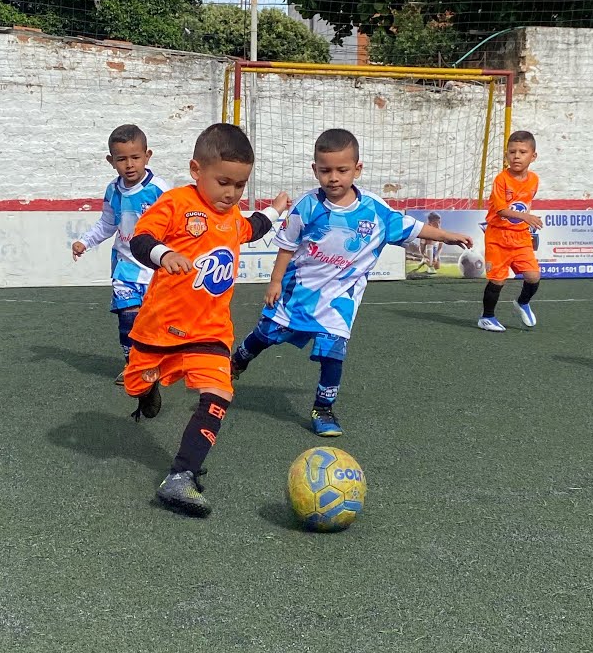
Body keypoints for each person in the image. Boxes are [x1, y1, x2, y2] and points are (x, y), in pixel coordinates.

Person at [230, 129, 472, 436]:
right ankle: (237, 361)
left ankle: (323, 408)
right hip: (298, 293)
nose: (333, 178)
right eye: (325, 170)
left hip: (340, 301)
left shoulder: (375, 210)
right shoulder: (307, 206)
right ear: (314, 170)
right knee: (267, 334)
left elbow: (415, 228)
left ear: (357, 169)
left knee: (334, 353)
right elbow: (287, 246)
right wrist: (275, 281)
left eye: (342, 170)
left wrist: (449, 235)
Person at [123, 123, 291, 517]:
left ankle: (181, 476)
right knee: (137, 384)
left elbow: (252, 228)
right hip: (159, 328)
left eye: (240, 185)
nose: (231, 193)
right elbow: (140, 238)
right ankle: (145, 389)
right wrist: (164, 255)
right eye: (223, 182)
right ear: (196, 169)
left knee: (220, 392)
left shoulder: (232, 216)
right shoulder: (177, 202)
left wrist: (273, 210)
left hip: (211, 331)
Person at [71, 124, 169, 384]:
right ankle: (133, 366)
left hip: (156, 270)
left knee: (153, 324)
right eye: (121, 159)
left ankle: (158, 361)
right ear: (111, 160)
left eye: (135, 157)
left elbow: (176, 225)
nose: (129, 164)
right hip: (125, 267)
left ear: (147, 156)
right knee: (128, 318)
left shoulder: (160, 190)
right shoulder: (113, 190)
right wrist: (85, 241)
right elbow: (107, 223)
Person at [478, 131, 546, 332]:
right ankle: (487, 317)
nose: (516, 156)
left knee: (533, 276)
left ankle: (523, 302)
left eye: (522, 152)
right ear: (506, 155)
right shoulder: (501, 179)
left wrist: (525, 220)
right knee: (497, 280)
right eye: (512, 152)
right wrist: (526, 217)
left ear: (533, 156)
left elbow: (523, 204)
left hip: (521, 237)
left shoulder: (534, 180)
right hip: (498, 236)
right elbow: (501, 210)